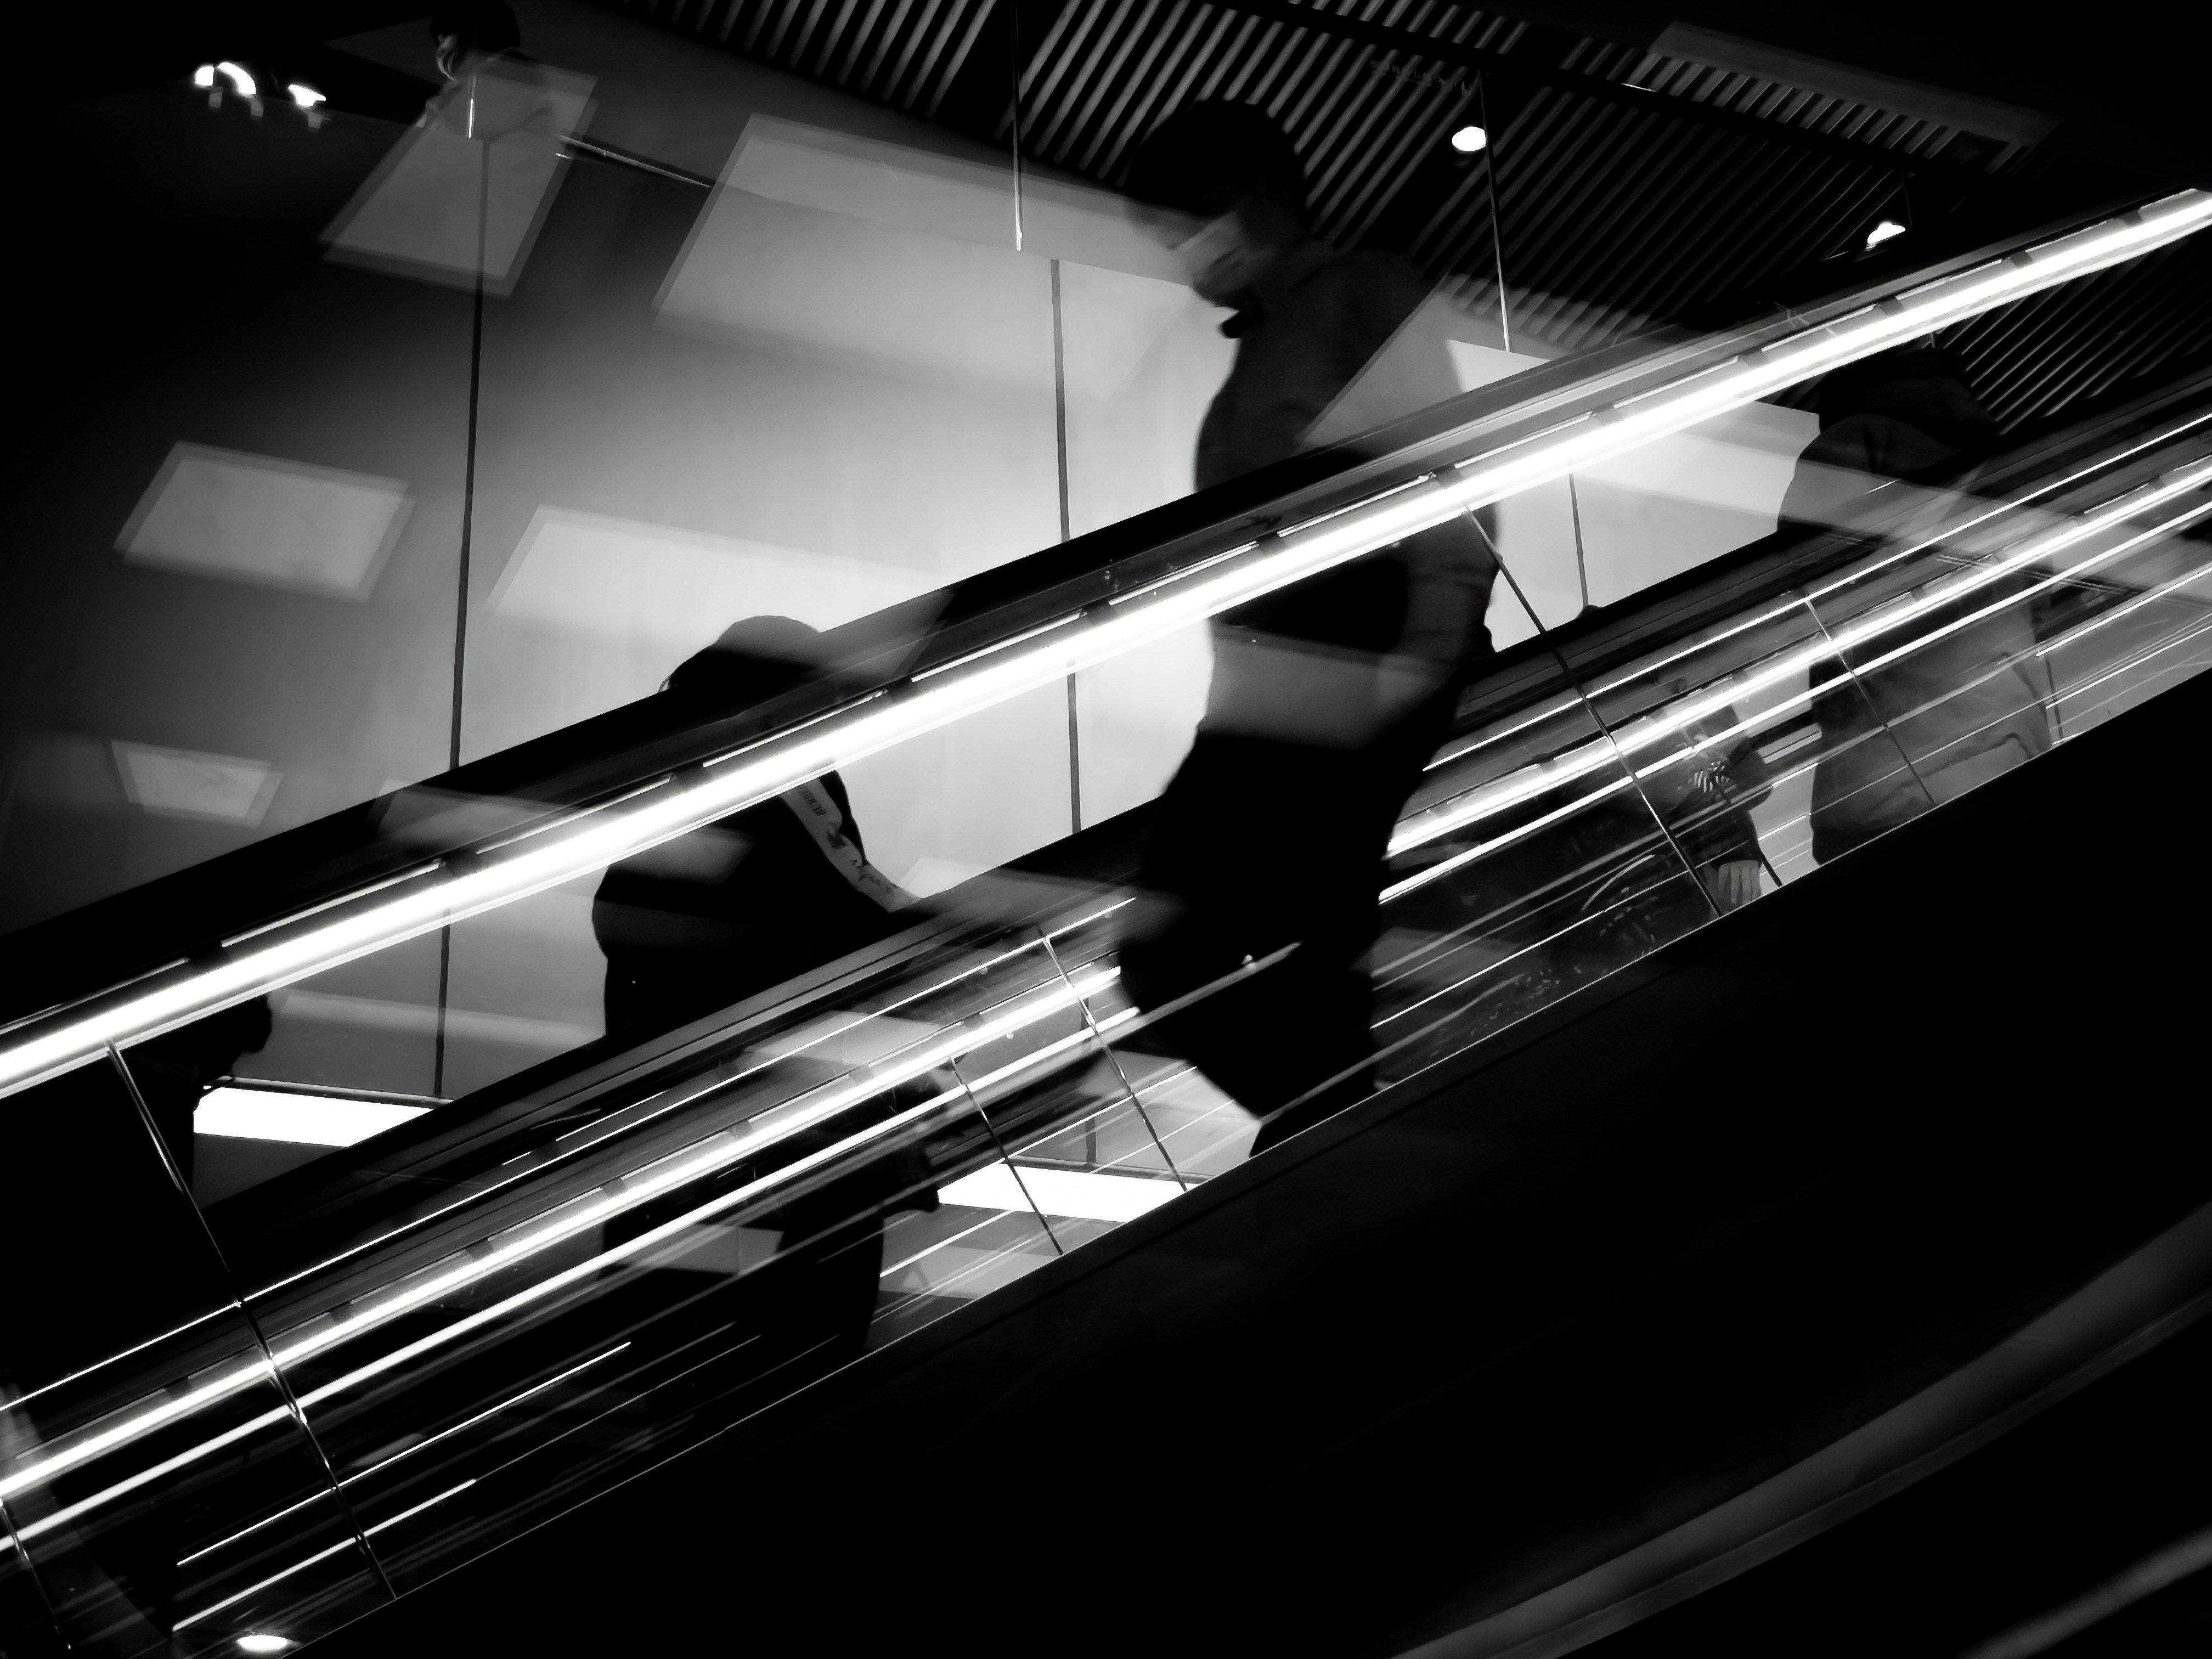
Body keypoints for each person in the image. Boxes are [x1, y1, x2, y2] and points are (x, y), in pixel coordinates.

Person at [1114, 102, 1498, 1149]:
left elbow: (1447, 468)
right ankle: (1334, 1129)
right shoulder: (1258, 349)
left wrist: (1424, 646)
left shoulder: (1361, 288)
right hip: (1271, 666)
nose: (1179, 255)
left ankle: (1331, 1141)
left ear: (1250, 197)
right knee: (1206, 942)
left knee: (1294, 924)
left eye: (1182, 223)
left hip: (1362, 633)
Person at [592, 617, 933, 1376]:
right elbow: (851, 900)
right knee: (808, 1364)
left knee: (693, 1384)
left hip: (689, 1138)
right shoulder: (766, 773)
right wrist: (954, 948)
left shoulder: (677, 772)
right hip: (788, 1122)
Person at [1782, 346, 2052, 862]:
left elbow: (1806, 600)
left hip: (1891, 778)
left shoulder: (1849, 444)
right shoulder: (2001, 458)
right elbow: (2041, 595)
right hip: (2014, 749)